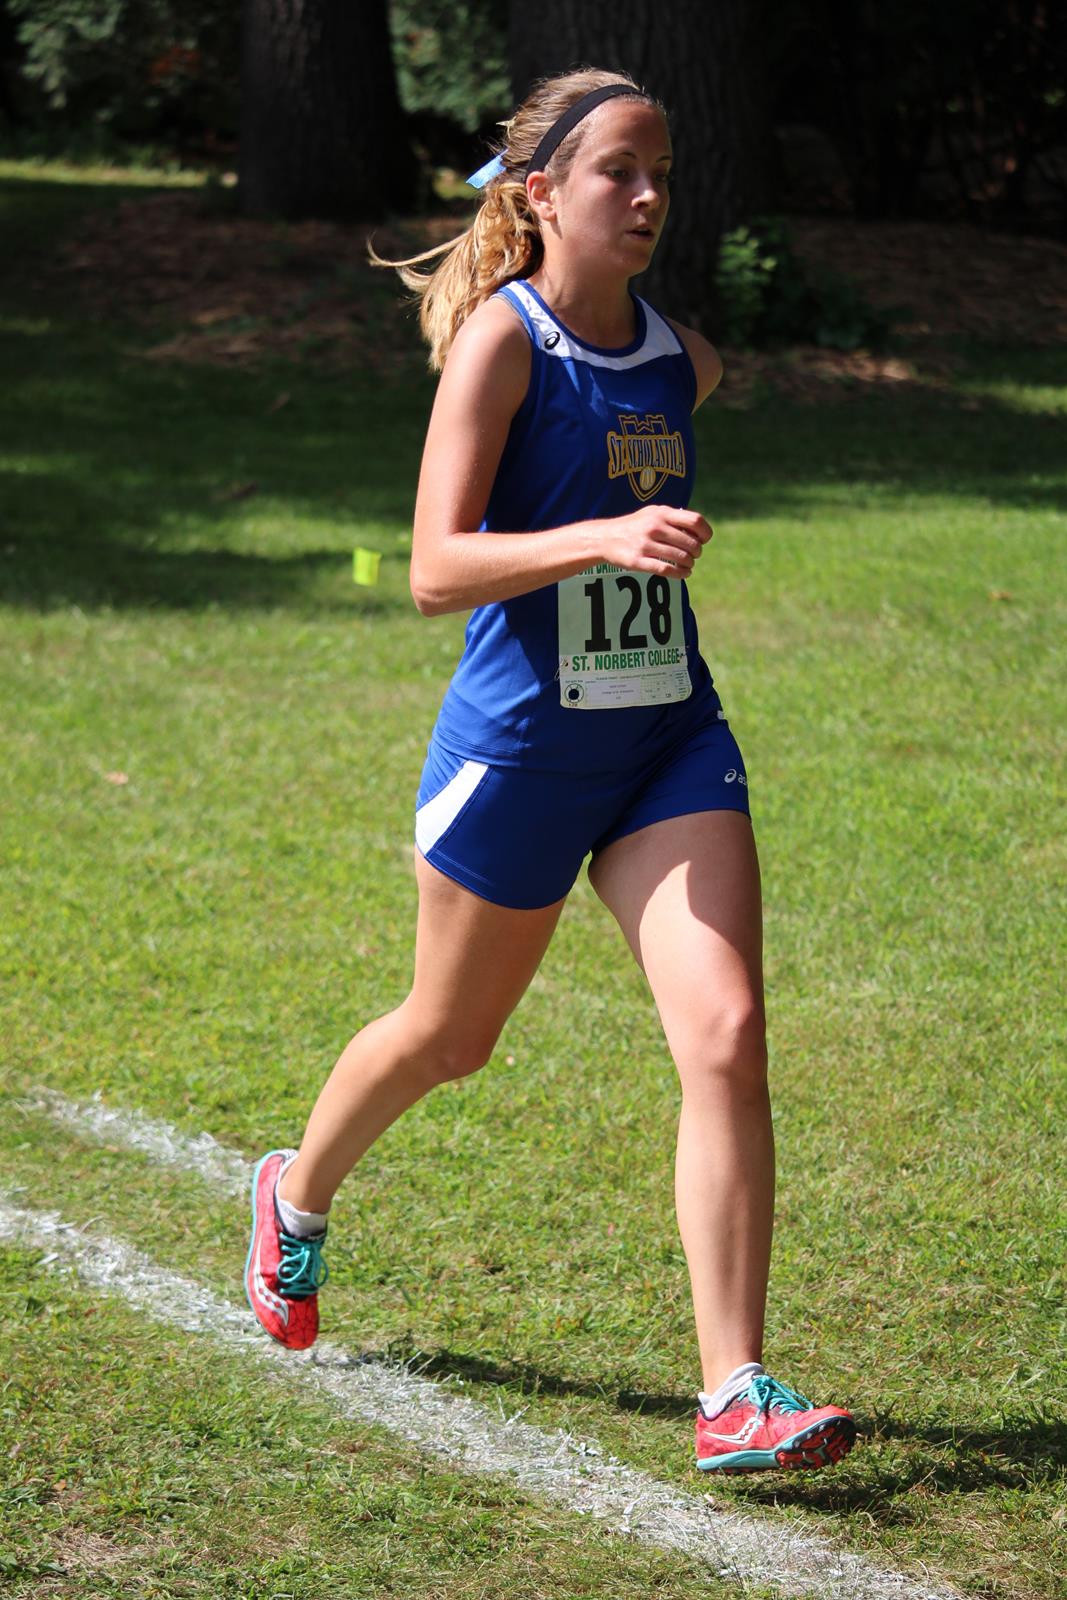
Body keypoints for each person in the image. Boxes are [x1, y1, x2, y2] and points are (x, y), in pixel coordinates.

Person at [244, 66, 856, 1475]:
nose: (647, 199)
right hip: (521, 753)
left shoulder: (674, 352)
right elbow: (429, 569)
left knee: (728, 1035)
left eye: (660, 176)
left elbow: (692, 382)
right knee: (451, 1039)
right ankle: (295, 1189)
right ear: (541, 196)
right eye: (617, 175)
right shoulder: (502, 348)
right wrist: (599, 537)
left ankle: (735, 1390)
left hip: (663, 739)